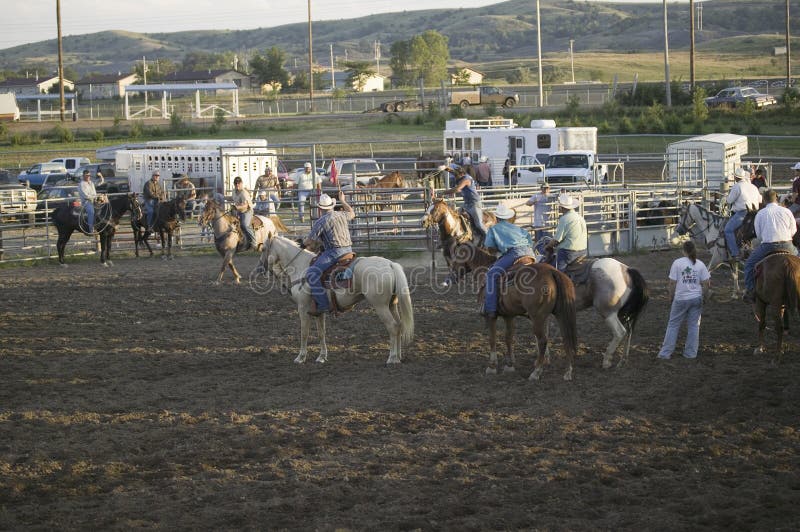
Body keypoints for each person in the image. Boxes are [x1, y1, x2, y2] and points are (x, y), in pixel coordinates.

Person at [304, 192, 355, 316]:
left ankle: (323, 305)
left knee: (311, 273)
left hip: (334, 252)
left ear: (320, 208)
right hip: (349, 249)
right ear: (332, 205)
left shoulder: (321, 221)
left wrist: (302, 242)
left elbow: (310, 241)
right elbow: (352, 213)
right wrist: (343, 200)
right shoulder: (342, 214)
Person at [657, 240, 711, 360]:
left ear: (683, 251)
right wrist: (705, 297)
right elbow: (707, 284)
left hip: (681, 298)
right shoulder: (700, 264)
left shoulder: (677, 263)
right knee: (694, 326)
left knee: (673, 325)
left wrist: (671, 296)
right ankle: (690, 354)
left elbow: (672, 283)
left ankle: (665, 353)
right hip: (696, 298)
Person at [743, 189, 798, 302]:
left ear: (764, 200)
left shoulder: (760, 213)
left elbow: (759, 235)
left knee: (748, 265)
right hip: (787, 245)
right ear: (776, 198)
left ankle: (751, 291)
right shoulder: (786, 211)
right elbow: (793, 230)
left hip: (768, 246)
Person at [482, 204, 534, 319]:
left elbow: (490, 247)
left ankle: (490, 309)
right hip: (530, 253)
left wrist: (497, 249)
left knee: (491, 275)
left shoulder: (493, 229)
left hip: (514, 254)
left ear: (497, 217)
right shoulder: (517, 228)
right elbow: (530, 242)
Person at [723, 167, 761, 261]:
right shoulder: (753, 186)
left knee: (728, 230)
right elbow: (760, 199)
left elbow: (729, 200)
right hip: (756, 213)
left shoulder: (737, 186)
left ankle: (735, 253)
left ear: (736, 178)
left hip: (743, 213)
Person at [443, 166, 488, 241]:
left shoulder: (466, 179)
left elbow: (457, 189)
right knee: (456, 217)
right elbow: (453, 171)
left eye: (456, 176)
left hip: (474, 203)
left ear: (461, 174)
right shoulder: (460, 175)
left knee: (479, 225)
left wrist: (444, 192)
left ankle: (490, 239)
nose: (455, 177)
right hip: (467, 204)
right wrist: (445, 168)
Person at [546, 193, 588, 272]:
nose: (558, 208)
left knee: (556, 272)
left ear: (562, 208)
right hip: (583, 251)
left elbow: (556, 240)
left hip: (568, 253)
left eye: (559, 206)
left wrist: (548, 246)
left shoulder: (564, 219)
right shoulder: (580, 217)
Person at [231, 176, 256, 251]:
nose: (237, 185)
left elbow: (246, 205)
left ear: (241, 183)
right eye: (236, 183)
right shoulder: (234, 191)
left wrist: (237, 207)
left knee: (245, 225)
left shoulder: (244, 193)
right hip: (238, 211)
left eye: (238, 183)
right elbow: (232, 198)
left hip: (247, 211)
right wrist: (222, 197)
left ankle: (254, 242)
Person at [78, 169, 98, 234]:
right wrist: (93, 197)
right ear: (83, 176)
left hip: (93, 200)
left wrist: (96, 197)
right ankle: (91, 229)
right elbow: (85, 195)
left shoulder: (91, 183)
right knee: (91, 212)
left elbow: (94, 192)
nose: (88, 177)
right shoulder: (81, 184)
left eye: (89, 175)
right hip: (86, 202)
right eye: (87, 176)